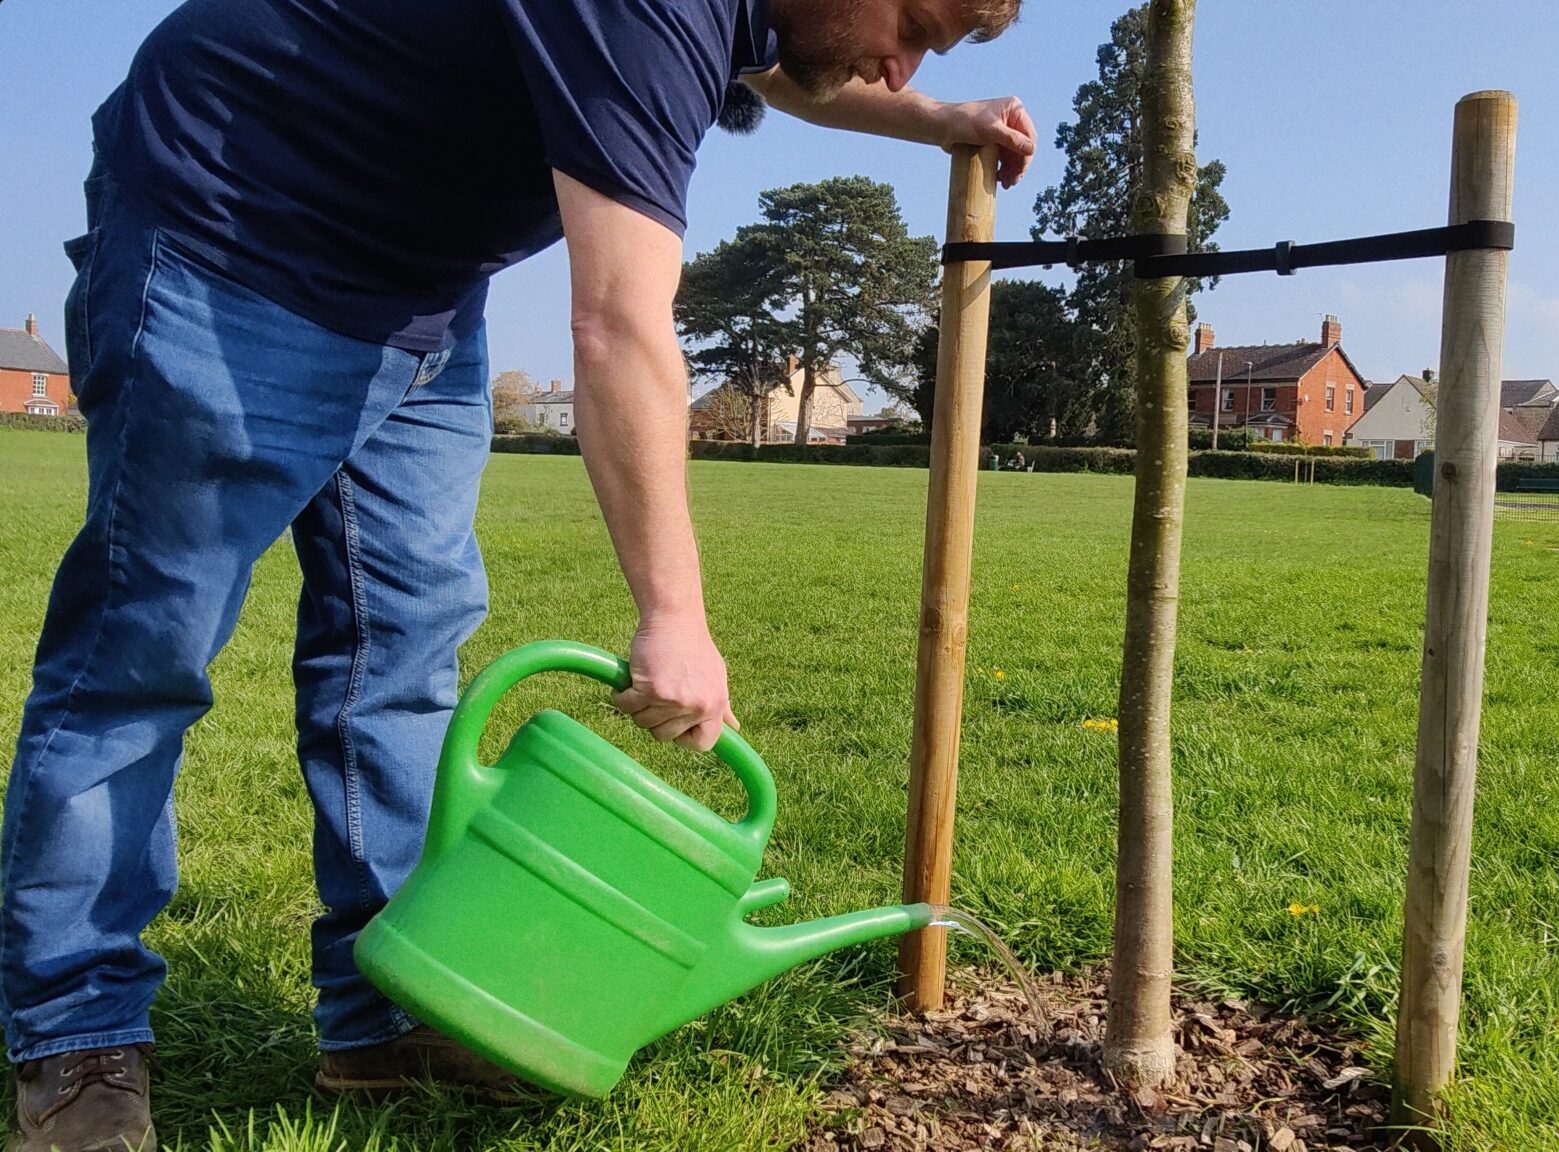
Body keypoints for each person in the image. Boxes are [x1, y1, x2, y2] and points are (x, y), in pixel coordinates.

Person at [3, 1, 1034, 1148]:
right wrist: (673, 615)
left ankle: (384, 1008)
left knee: (399, 658)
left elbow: (788, 59)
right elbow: (616, 324)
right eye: (914, 26)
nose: (899, 65)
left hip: (417, 299)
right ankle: (77, 1041)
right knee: (138, 658)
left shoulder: (741, 14)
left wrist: (938, 119)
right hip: (234, 239)